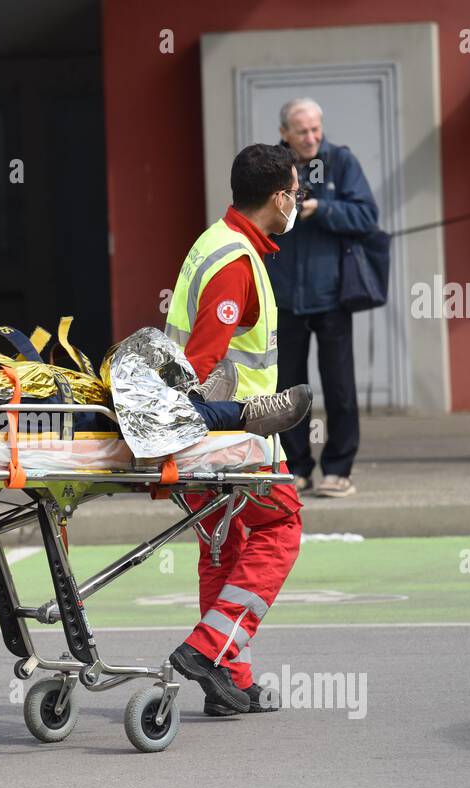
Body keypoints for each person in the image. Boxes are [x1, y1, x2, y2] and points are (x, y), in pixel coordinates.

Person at [163, 143, 308, 716]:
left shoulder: (216, 242)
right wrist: (206, 433)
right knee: (283, 528)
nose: (297, 203)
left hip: (198, 435)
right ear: (278, 198)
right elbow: (202, 364)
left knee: (224, 547)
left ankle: (229, 679)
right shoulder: (235, 263)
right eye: (295, 193)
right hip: (229, 439)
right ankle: (209, 649)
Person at [266, 97, 378, 498]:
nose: (312, 138)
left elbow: (367, 216)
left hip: (332, 295)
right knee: (288, 390)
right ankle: (295, 468)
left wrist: (323, 209)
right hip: (284, 298)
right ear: (284, 134)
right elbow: (253, 216)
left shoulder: (341, 162)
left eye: (316, 129)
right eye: (302, 131)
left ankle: (338, 469)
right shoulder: (271, 167)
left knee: (340, 387)